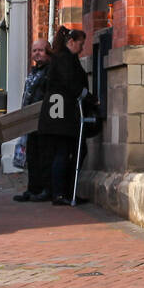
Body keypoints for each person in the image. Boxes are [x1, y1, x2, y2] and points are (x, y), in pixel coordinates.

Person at [46, 26, 88, 206]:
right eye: (81, 44)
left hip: (59, 114)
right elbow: (71, 84)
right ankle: (61, 193)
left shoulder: (63, 58)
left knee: (66, 152)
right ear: (71, 42)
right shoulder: (65, 60)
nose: (82, 48)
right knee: (65, 152)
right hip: (62, 114)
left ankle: (64, 192)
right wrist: (90, 98)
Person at [13, 41, 53, 203]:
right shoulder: (34, 71)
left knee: (44, 156)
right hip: (30, 121)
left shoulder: (49, 72)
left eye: (41, 50)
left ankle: (45, 189)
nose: (37, 53)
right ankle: (33, 189)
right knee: (32, 156)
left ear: (48, 52)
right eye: (34, 50)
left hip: (43, 120)